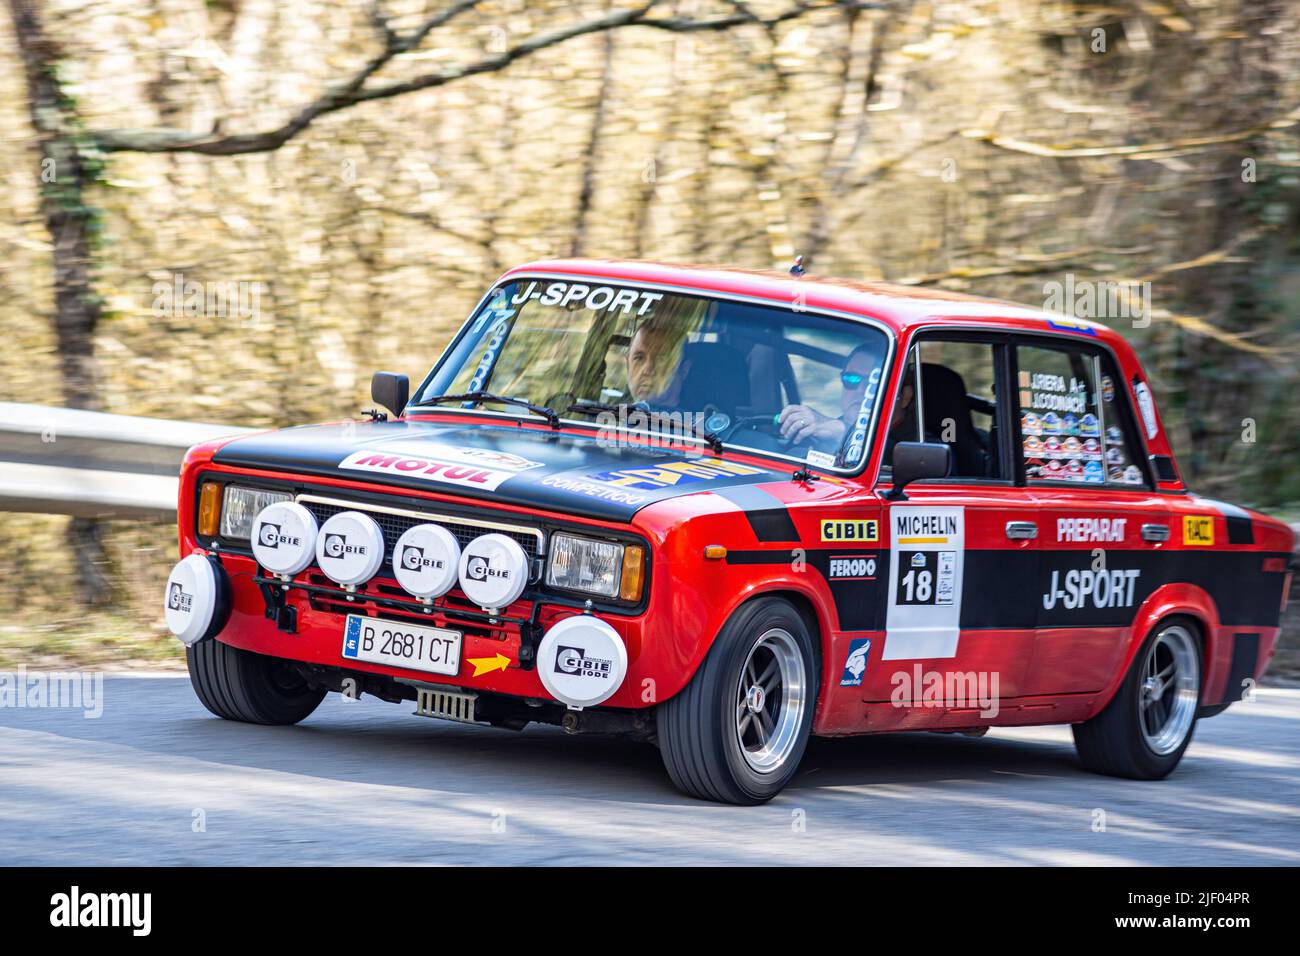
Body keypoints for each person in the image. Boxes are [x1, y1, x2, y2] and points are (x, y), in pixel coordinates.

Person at [776, 344, 880, 457]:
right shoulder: (822, 429)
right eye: (851, 378)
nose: (861, 390)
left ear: (902, 397)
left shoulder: (897, 448)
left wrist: (843, 431)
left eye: (874, 384)